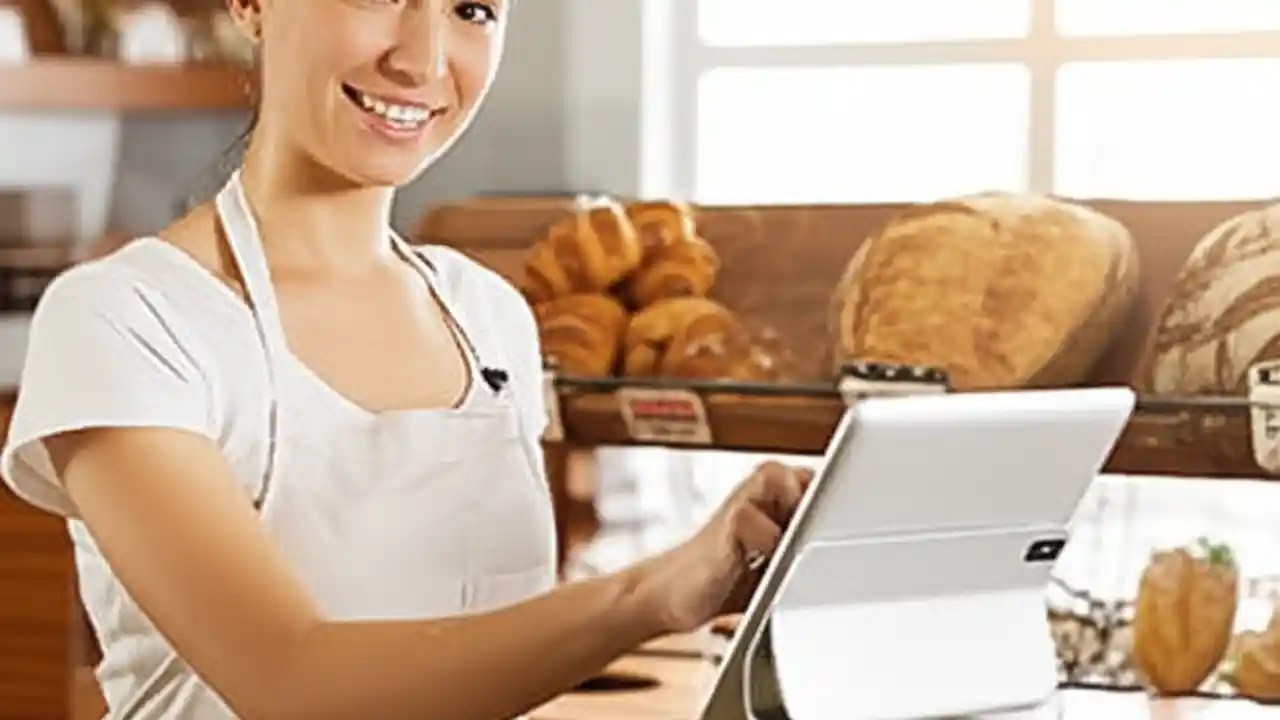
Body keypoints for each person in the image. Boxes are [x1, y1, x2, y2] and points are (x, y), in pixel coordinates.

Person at [0, 1, 813, 718]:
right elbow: (290, 683)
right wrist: (651, 594)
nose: (422, 61)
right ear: (249, 5)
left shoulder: (488, 315)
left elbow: (482, 653)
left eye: (473, 10)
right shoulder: (128, 317)